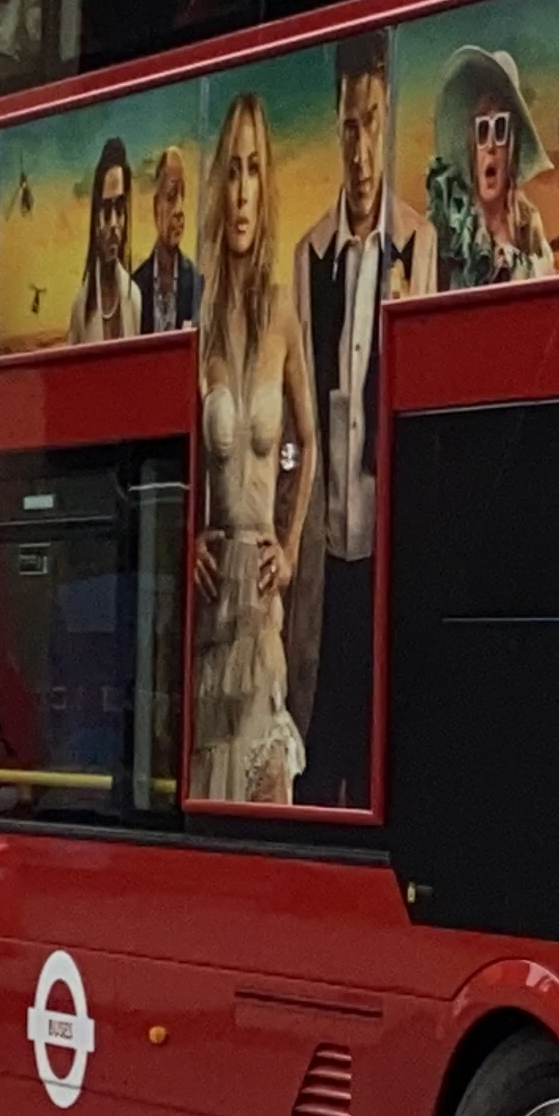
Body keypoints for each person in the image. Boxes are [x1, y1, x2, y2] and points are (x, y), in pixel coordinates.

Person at [188, 89, 315, 805]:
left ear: (267, 186)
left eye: (254, 170)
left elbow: (311, 437)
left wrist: (291, 544)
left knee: (272, 807)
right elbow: (165, 453)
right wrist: (186, 538)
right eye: (230, 170)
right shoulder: (199, 326)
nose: (241, 191)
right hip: (210, 612)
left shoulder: (283, 317)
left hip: (262, 603)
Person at [285, 39, 401, 807]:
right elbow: (295, 419)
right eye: (347, 128)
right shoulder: (309, 256)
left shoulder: (416, 247)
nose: (360, 149)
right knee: (319, 769)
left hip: (387, 559)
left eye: (371, 124)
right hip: (324, 562)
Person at [424, 45, 556, 289]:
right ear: (471, 146)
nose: (491, 146)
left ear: (513, 148)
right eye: (483, 129)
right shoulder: (449, 234)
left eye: (501, 128)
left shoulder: (531, 236)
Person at [68, 140, 139, 343]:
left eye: (119, 209)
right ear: (95, 217)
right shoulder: (80, 309)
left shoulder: (135, 299)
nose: (114, 224)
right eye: (107, 210)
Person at [134, 144, 201, 332]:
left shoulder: (196, 284)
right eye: (171, 197)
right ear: (156, 207)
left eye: (183, 196)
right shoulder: (135, 287)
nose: (179, 210)